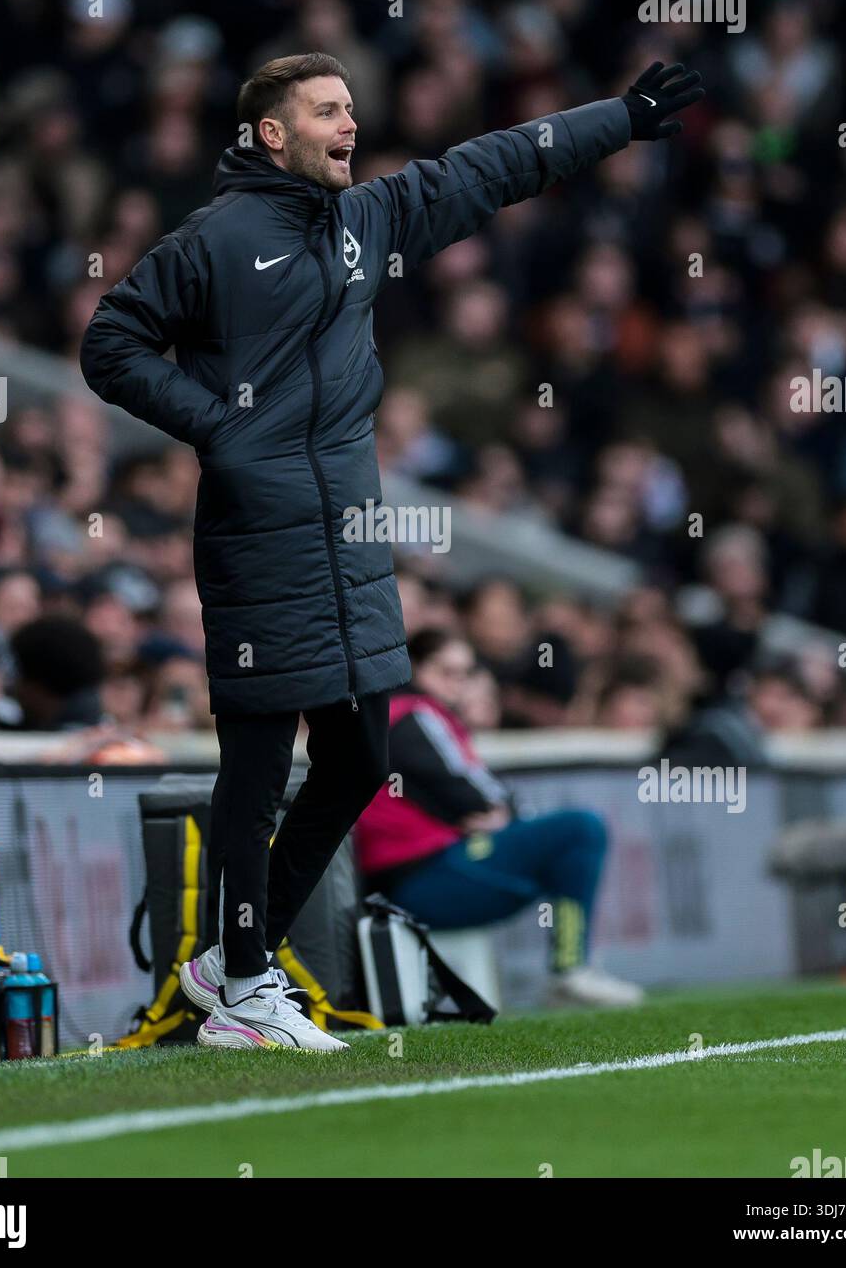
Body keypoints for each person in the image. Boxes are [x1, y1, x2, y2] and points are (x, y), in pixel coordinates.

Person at [80, 53, 699, 1050]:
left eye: (352, 110)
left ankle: (224, 964)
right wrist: (221, 431)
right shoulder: (212, 242)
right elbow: (108, 342)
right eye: (326, 111)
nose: (348, 126)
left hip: (353, 539)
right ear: (270, 133)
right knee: (253, 763)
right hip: (258, 535)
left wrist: (617, 120)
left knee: (362, 756)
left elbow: (489, 167)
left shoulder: (365, 223)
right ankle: (242, 984)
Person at [355, 629, 643, 1008]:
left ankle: (573, 968)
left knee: (564, 848)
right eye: (447, 672)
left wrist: (488, 814)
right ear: (416, 670)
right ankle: (571, 969)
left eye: (466, 673)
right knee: (580, 829)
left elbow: (465, 799)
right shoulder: (416, 713)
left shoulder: (405, 716)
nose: (458, 684)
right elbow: (473, 796)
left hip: (413, 878)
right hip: (421, 880)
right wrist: (502, 814)